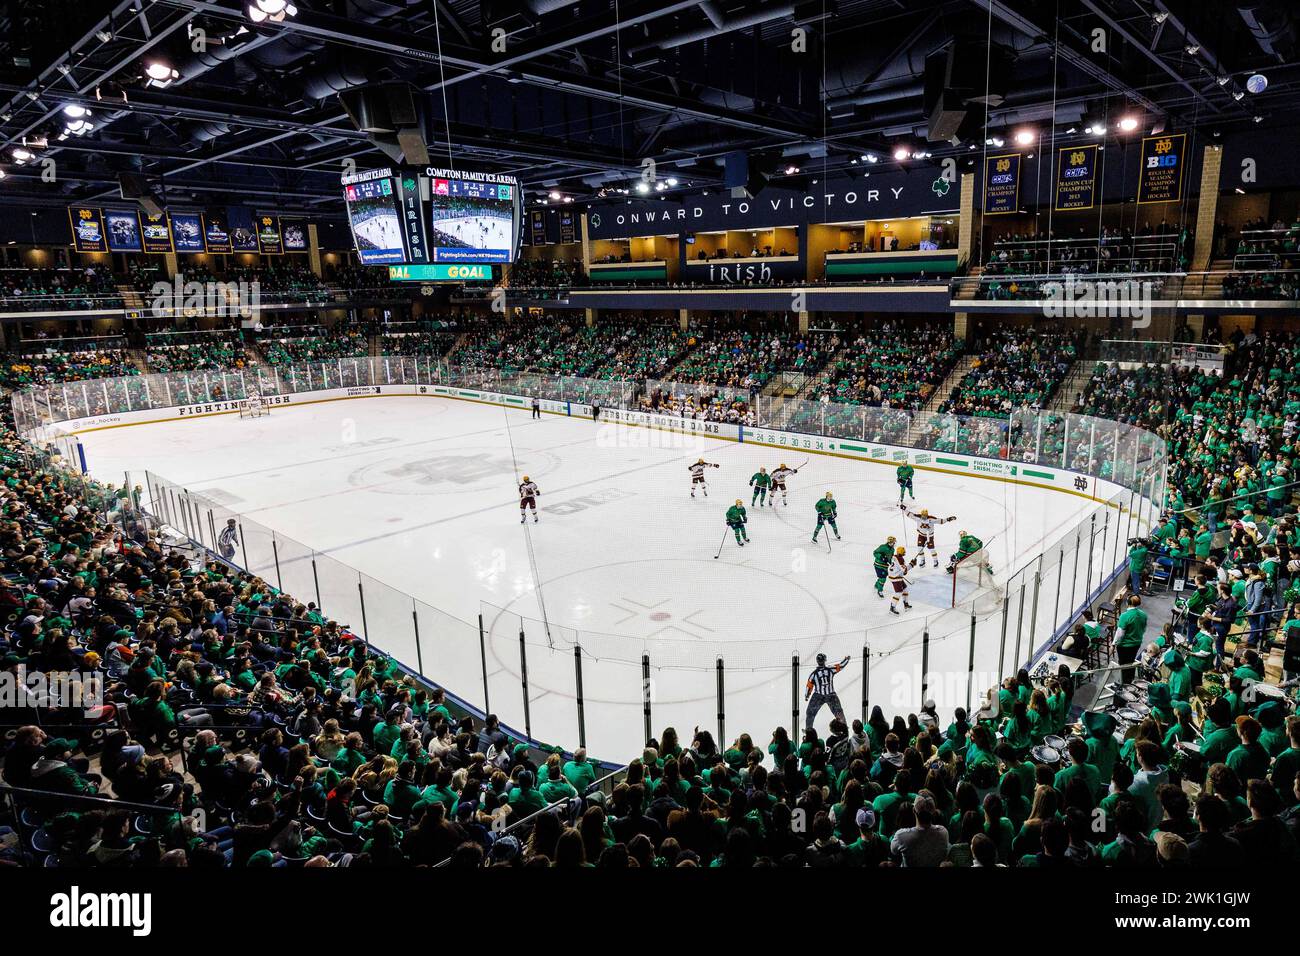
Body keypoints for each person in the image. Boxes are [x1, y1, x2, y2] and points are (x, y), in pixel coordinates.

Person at [805, 653, 849, 731]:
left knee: (810, 712)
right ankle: (844, 728)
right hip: (831, 695)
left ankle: (808, 730)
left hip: (818, 695)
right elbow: (841, 666)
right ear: (825, 661)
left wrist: (807, 695)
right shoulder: (830, 669)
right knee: (838, 712)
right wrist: (846, 659)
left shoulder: (814, 674)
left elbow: (809, 685)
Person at [1113, 593, 1147, 669]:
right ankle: (1129, 678)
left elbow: (1120, 634)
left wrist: (1113, 644)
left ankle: (1125, 679)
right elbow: (1143, 629)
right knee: (1130, 662)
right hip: (1137, 644)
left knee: (1123, 664)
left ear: (1128, 603)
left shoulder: (1124, 616)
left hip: (1125, 646)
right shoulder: (1143, 615)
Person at [887, 547, 914, 615]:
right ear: (900, 552)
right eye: (903, 552)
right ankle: (892, 608)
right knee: (898, 592)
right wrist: (911, 564)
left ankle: (906, 604)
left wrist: (911, 565)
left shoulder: (896, 557)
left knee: (905, 589)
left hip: (897, 576)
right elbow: (904, 570)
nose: (904, 553)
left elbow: (903, 571)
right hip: (895, 577)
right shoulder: (899, 559)